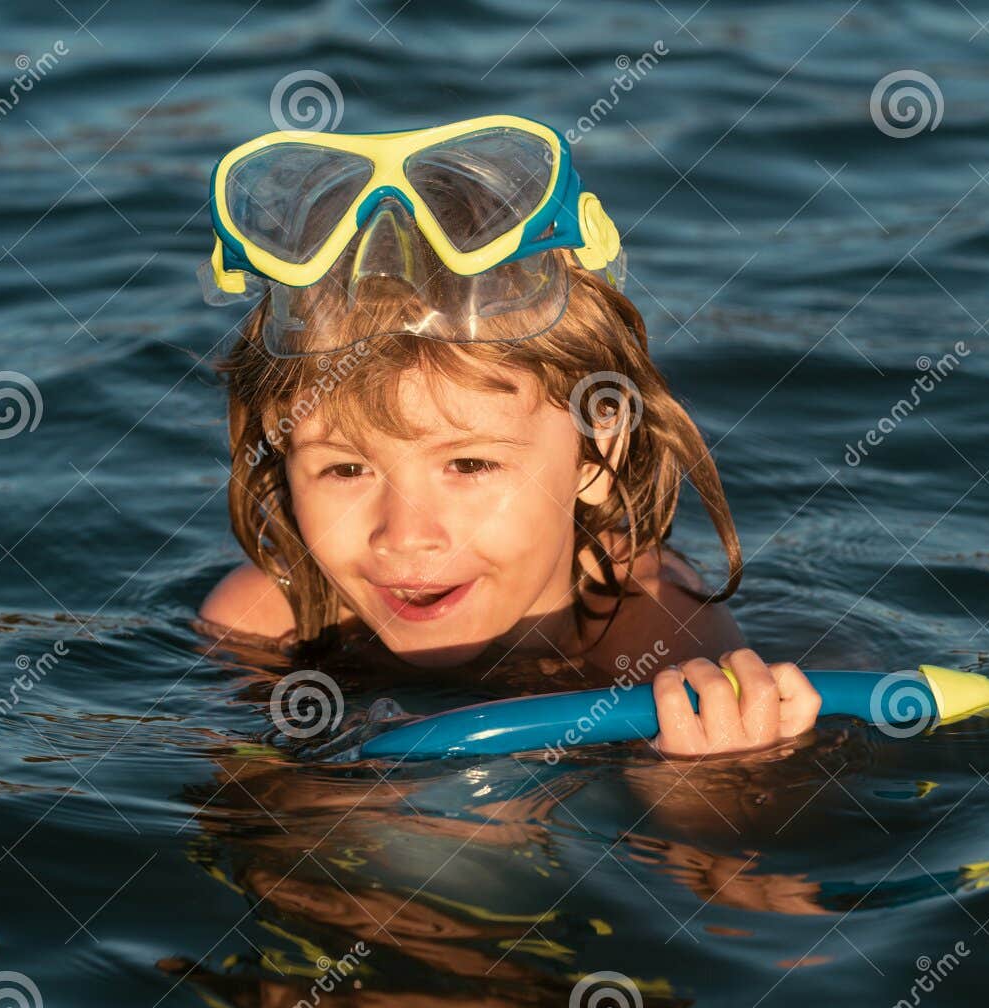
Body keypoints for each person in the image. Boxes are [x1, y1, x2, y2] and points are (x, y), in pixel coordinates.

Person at [195, 114, 819, 756]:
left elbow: (720, 847)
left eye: (468, 465)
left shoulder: (657, 632)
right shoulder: (266, 622)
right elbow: (252, 825)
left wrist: (705, 782)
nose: (405, 536)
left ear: (595, 450)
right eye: (346, 470)